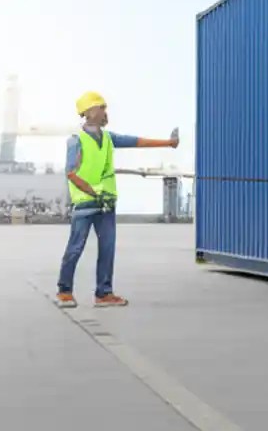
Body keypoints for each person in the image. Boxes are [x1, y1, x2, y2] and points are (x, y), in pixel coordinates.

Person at [55, 91, 178, 309]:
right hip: (85, 204)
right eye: (102, 108)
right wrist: (93, 192)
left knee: (107, 249)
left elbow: (136, 141)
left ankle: (104, 294)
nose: (105, 113)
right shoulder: (76, 141)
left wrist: (168, 143)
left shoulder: (109, 138)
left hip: (106, 204)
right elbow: (71, 172)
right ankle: (65, 292)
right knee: (75, 248)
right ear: (90, 112)